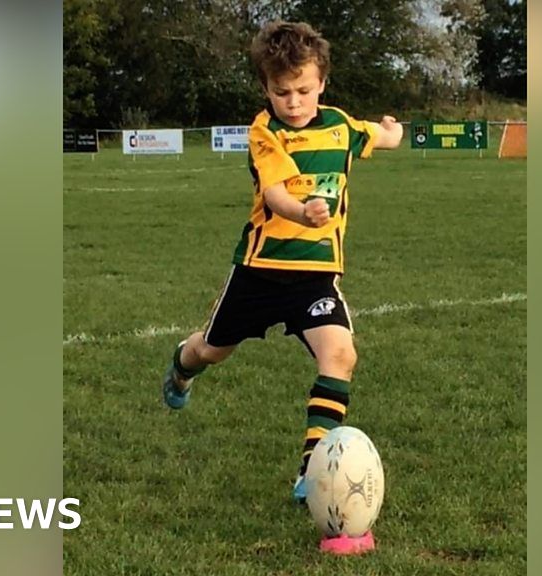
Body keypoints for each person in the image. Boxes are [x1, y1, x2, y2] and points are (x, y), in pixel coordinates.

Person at [160, 19, 403, 517]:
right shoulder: (264, 131)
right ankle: (182, 366)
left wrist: (392, 132)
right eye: (281, 92)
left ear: (322, 83)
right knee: (212, 350)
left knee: (340, 354)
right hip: (260, 271)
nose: (293, 102)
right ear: (265, 88)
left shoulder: (340, 125)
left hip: (315, 276)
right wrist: (303, 212)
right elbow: (274, 193)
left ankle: (312, 468)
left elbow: (374, 135)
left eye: (303, 90)